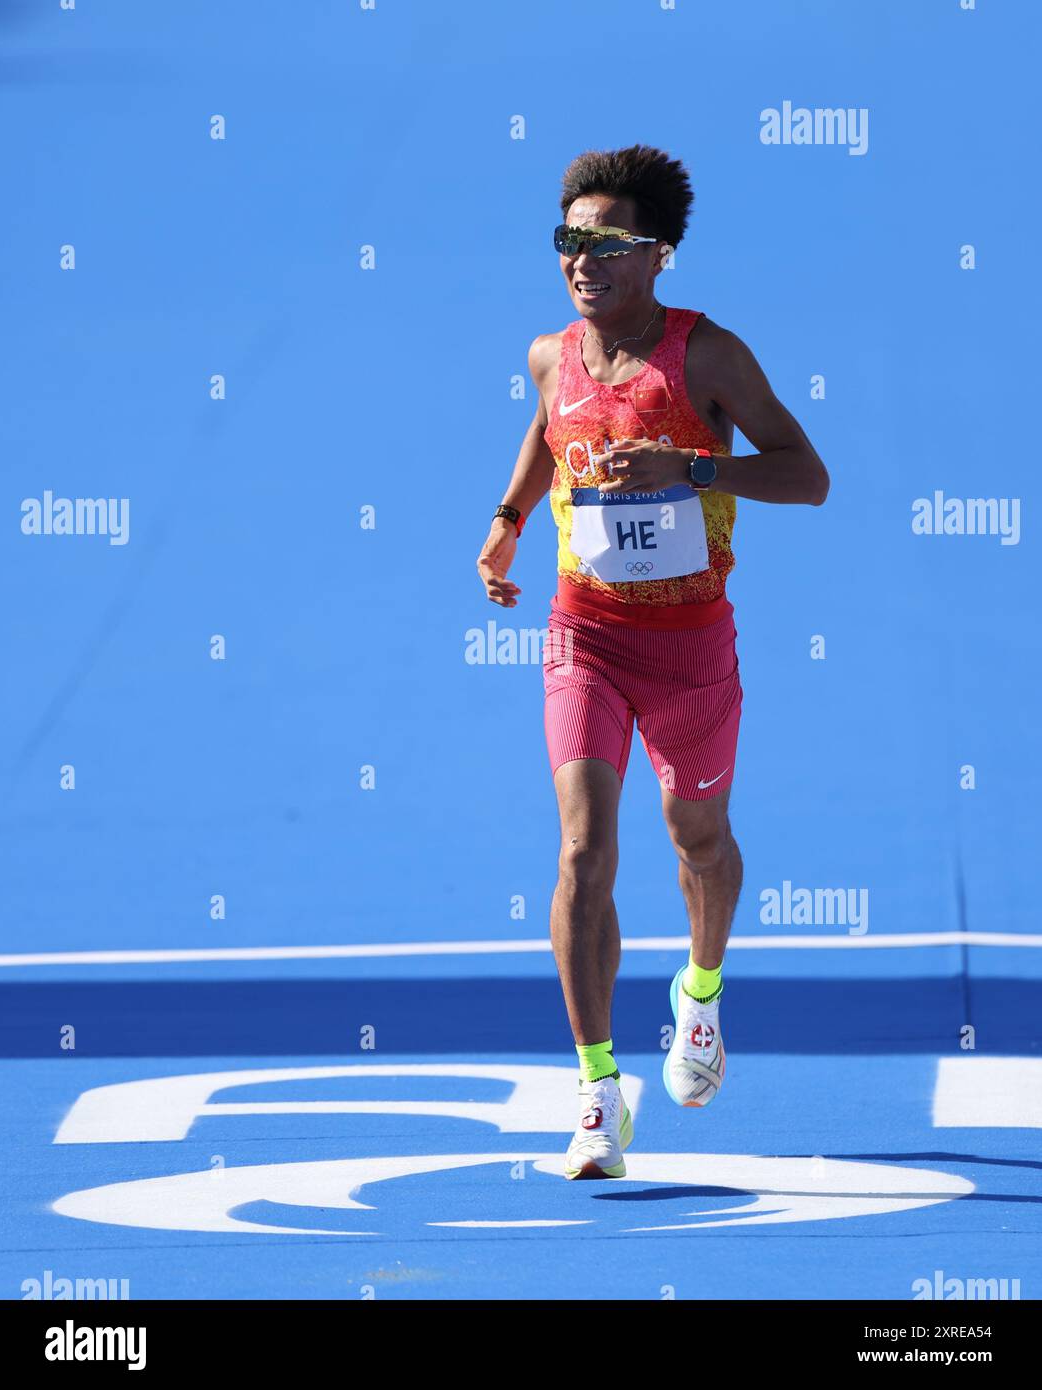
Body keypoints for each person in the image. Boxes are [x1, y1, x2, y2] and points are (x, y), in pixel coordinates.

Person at [476, 144, 829, 1179]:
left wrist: (696, 464)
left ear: (659, 254)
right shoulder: (551, 354)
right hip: (584, 634)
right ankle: (597, 1092)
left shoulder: (708, 357)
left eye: (608, 243)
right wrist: (507, 519)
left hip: (690, 650)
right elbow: (551, 432)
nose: (583, 260)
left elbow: (809, 475)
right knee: (584, 853)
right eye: (569, 241)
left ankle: (702, 995)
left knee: (699, 840)